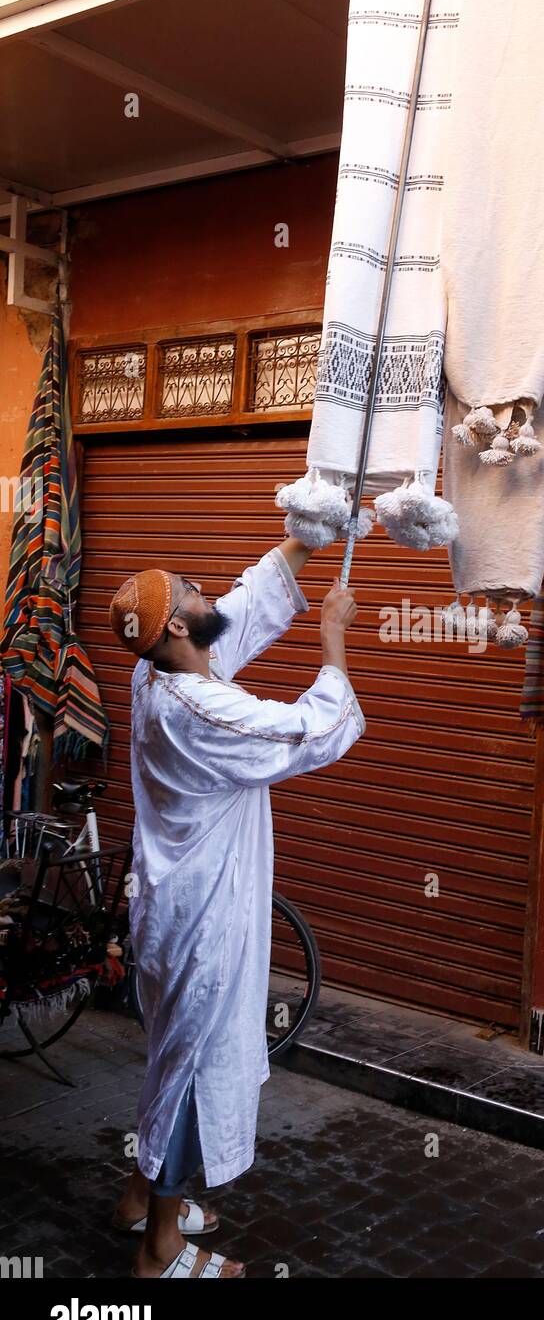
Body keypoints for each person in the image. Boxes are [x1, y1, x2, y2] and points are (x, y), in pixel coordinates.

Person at [106, 534, 364, 1278]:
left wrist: (307, 537)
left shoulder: (156, 672)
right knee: (191, 1070)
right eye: (192, 590)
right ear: (178, 627)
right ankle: (160, 1247)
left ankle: (137, 1196)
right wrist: (333, 638)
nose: (206, 595)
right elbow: (312, 732)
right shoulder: (201, 711)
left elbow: (245, 608)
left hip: (169, 909)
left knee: (170, 1057)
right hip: (203, 924)